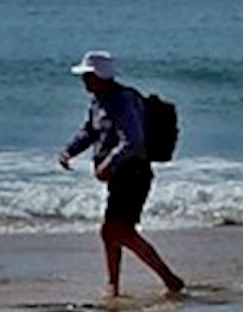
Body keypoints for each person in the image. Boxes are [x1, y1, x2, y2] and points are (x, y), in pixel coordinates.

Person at [60, 48, 185, 299]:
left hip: (134, 175)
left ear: (98, 75)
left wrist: (108, 163)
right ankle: (114, 285)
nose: (83, 80)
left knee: (119, 231)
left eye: (87, 75)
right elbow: (89, 131)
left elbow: (133, 141)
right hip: (119, 177)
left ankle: (169, 278)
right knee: (110, 232)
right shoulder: (98, 101)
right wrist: (69, 151)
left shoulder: (122, 100)